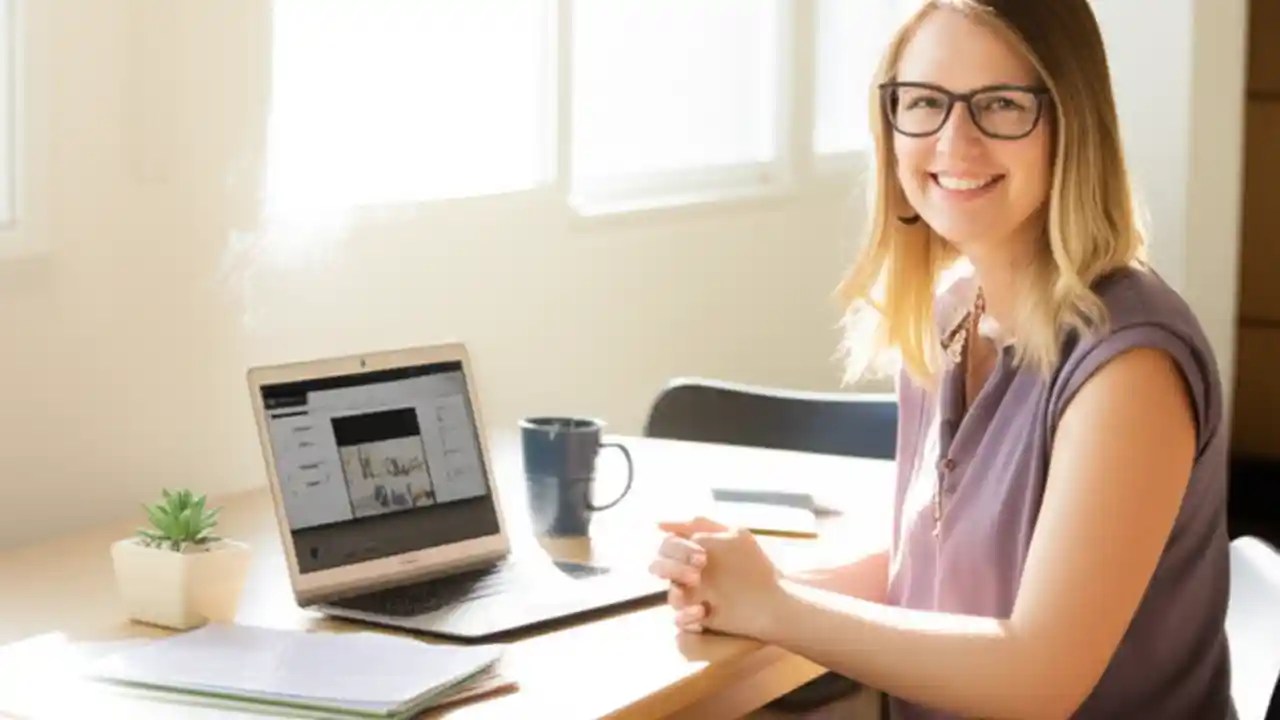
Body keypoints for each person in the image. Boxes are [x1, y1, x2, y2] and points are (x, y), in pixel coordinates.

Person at [648, 1, 1234, 718]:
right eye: (925, 102)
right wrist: (745, 586)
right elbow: (926, 572)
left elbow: (1037, 680)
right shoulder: (954, 314)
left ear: (1072, 124)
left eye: (1002, 104)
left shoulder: (1129, 366)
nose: (956, 142)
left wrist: (777, 607)